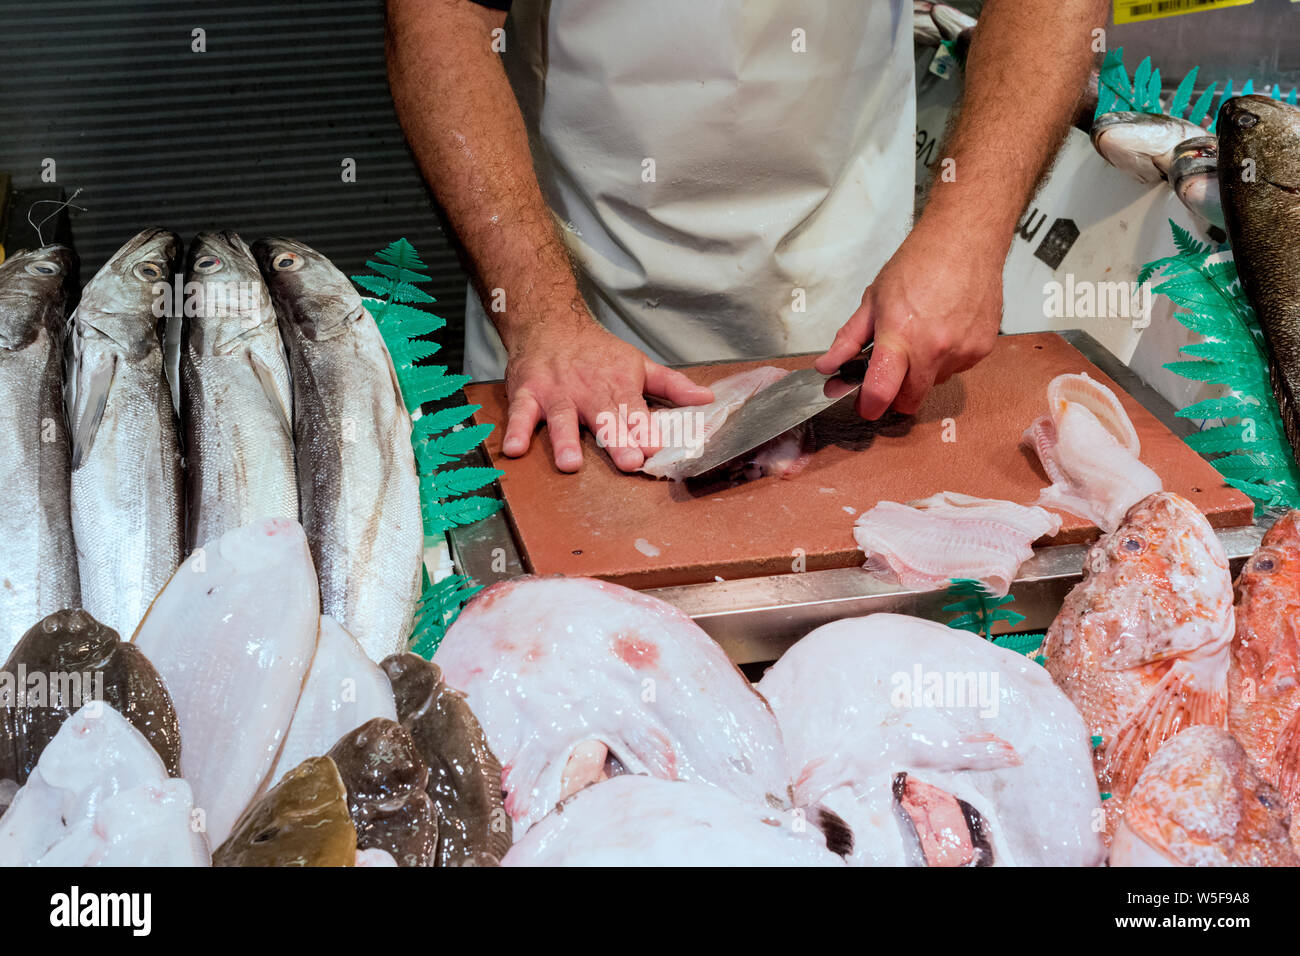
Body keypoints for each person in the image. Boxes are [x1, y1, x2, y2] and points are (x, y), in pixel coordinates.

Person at [388, 0, 1106, 472]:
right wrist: (542, 315)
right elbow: (439, 17)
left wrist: (969, 234)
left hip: (853, 310)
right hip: (573, 305)